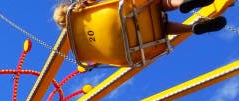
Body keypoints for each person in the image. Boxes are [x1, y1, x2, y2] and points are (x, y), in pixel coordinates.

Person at [53, 0, 227, 37]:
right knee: (162, 3)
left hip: (138, 40)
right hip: (137, 12)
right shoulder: (90, 8)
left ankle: (192, 28)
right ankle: (183, 2)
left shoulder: (84, 40)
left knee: (162, 28)